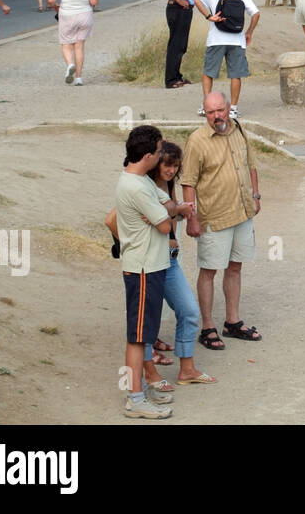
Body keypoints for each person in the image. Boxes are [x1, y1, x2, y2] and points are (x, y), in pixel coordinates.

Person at [181, 93, 263, 350]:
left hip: (241, 211)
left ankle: (232, 321)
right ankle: (207, 327)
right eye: (210, 112)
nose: (216, 116)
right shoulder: (197, 141)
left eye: (220, 110)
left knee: (235, 267)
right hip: (214, 217)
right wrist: (191, 218)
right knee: (209, 271)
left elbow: (251, 164)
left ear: (228, 108)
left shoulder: (239, 129)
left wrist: (256, 194)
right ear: (204, 114)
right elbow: (188, 182)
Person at [141, 141, 215, 391]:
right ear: (155, 164)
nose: (171, 170)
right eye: (167, 165)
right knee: (147, 319)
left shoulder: (169, 184)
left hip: (169, 259)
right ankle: (148, 370)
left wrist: (180, 214)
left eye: (175, 166)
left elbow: (169, 216)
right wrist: (178, 209)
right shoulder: (144, 186)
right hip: (148, 261)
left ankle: (187, 369)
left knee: (189, 311)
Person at [116, 124, 177, 419]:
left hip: (148, 266)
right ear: (148, 155)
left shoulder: (136, 180)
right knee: (138, 338)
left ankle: (140, 391)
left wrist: (161, 215)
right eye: (159, 150)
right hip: (142, 269)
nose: (161, 155)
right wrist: (162, 216)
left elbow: (164, 216)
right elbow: (166, 224)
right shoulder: (137, 187)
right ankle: (135, 398)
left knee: (143, 335)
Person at [195, 0, 260, 118]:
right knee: (235, 74)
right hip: (237, 39)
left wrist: (209, 16)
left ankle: (207, 106)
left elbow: (197, 0)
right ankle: (233, 108)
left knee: (209, 72)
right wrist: (249, 32)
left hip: (216, 38)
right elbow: (256, 14)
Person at [49, 0, 100, 86]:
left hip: (67, 14)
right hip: (85, 15)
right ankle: (78, 78)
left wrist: (56, 7)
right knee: (79, 46)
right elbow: (93, 1)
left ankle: (70, 64)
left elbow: (51, 0)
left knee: (66, 44)